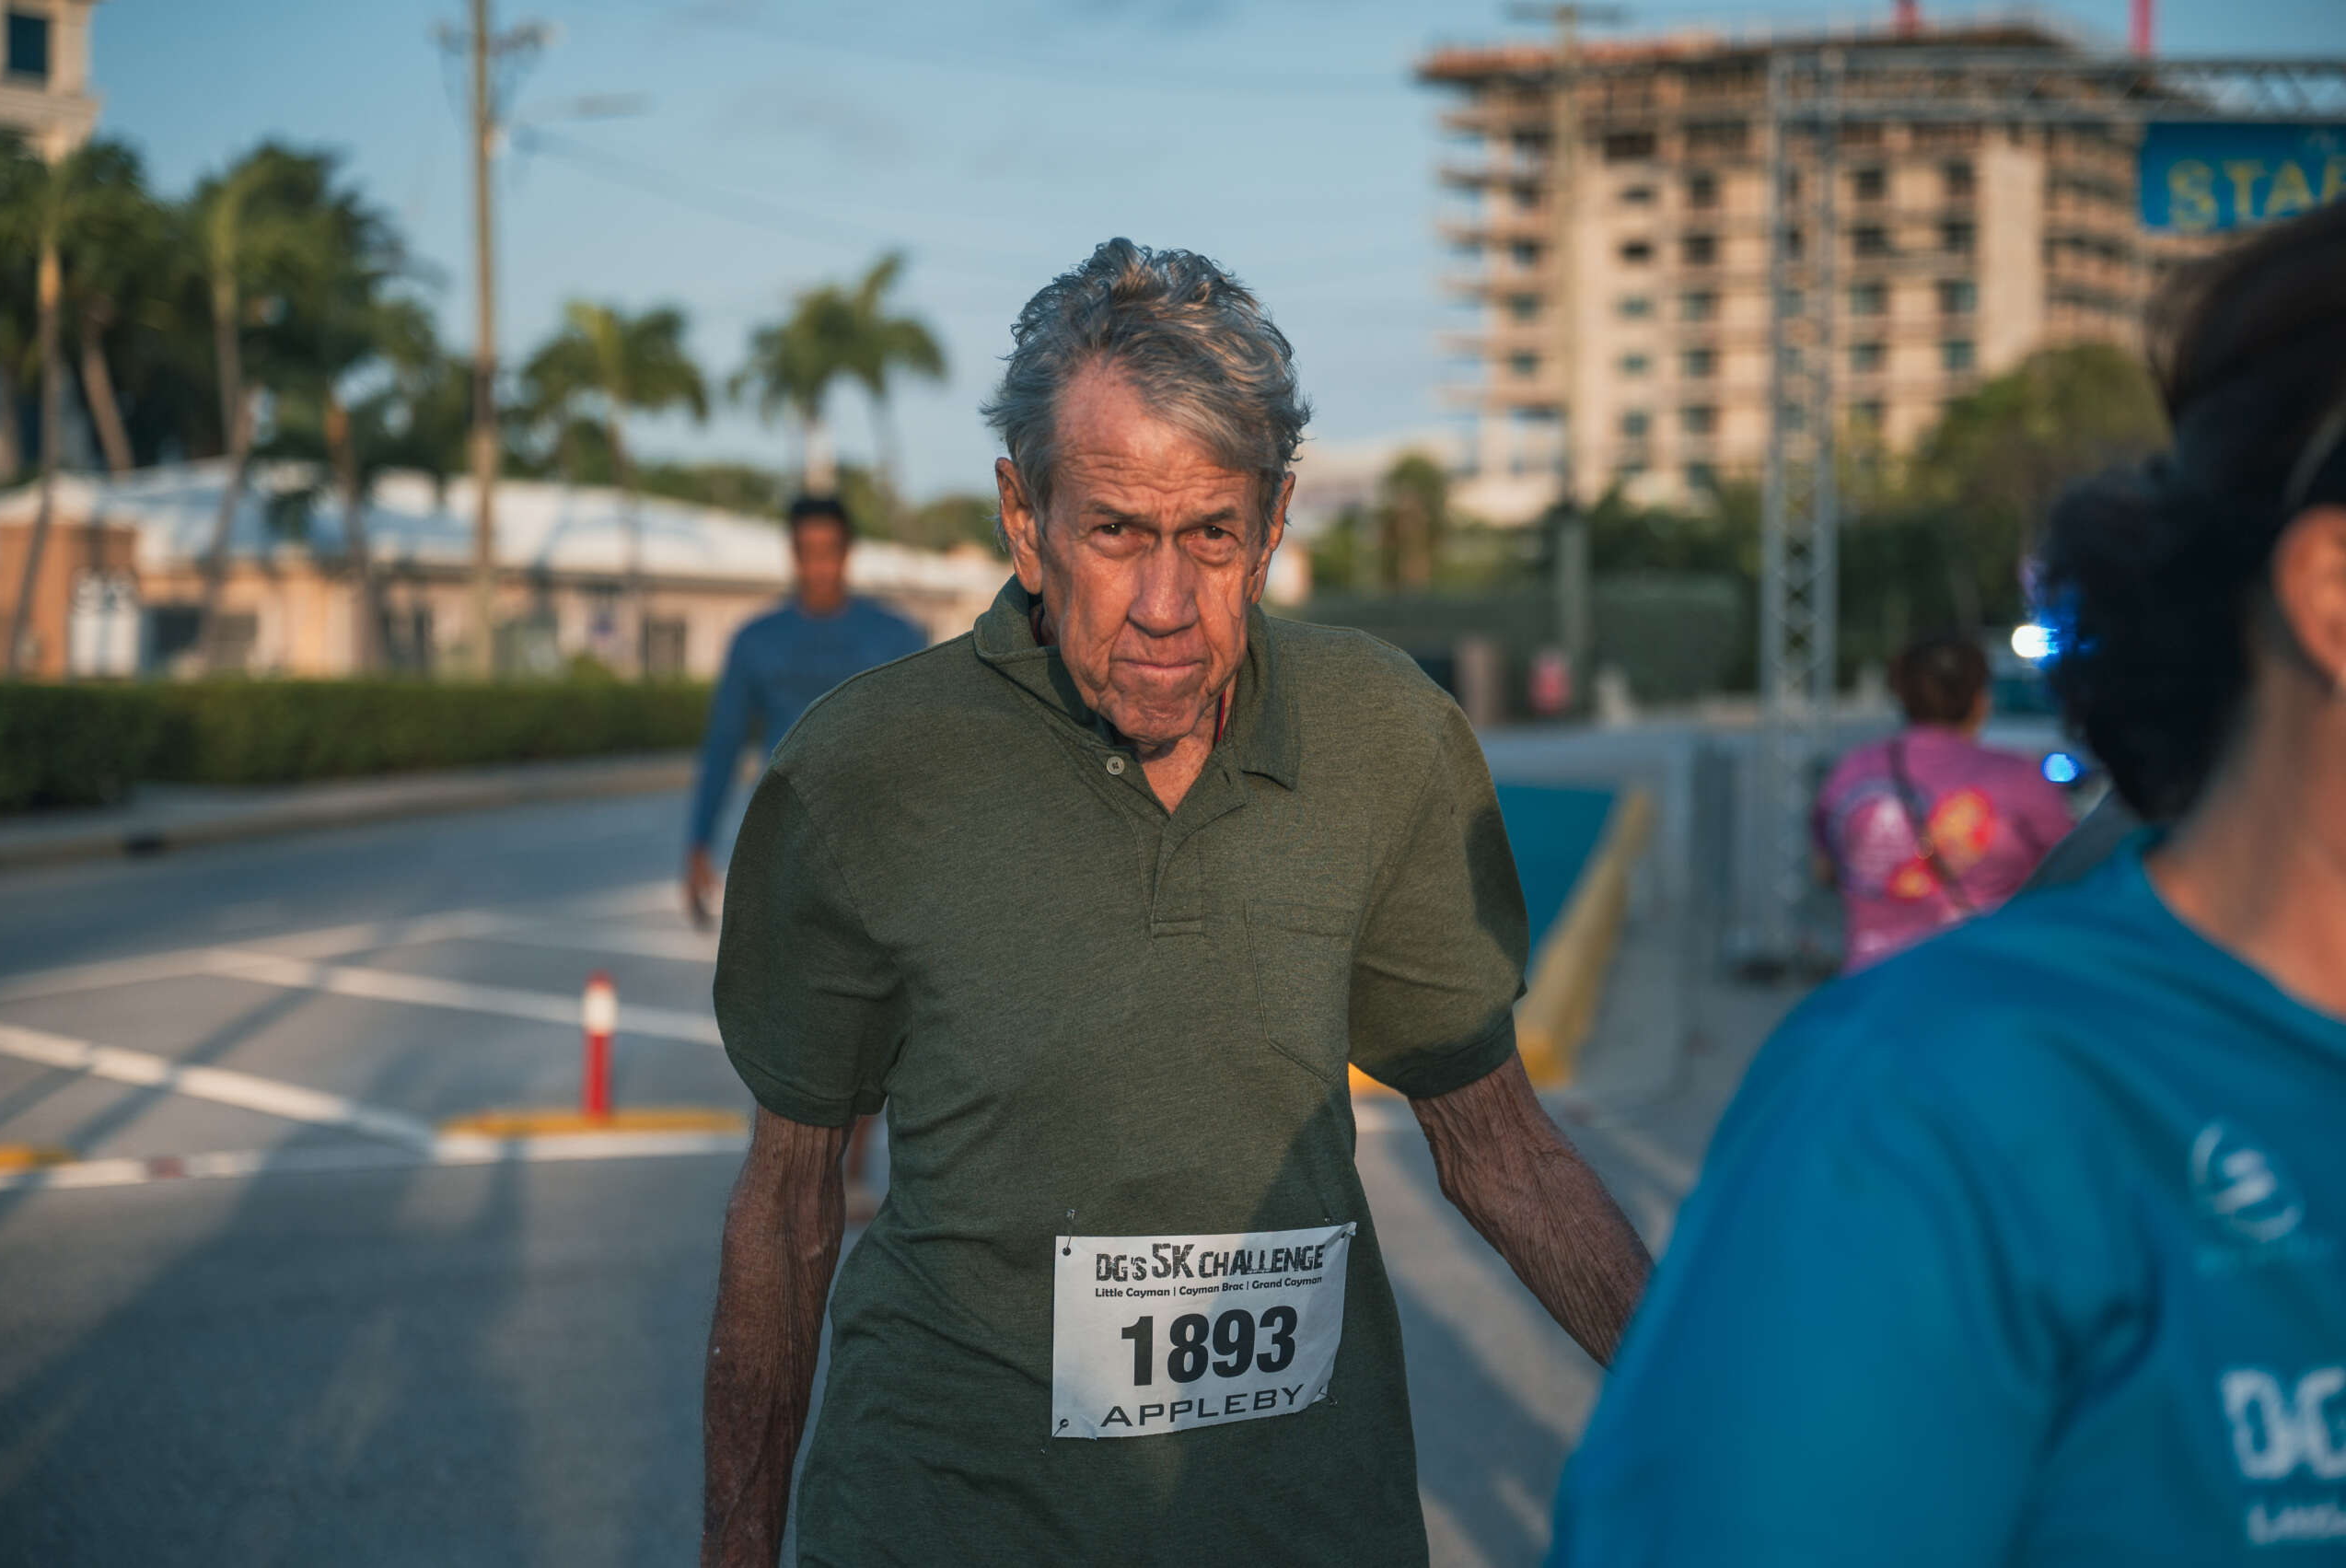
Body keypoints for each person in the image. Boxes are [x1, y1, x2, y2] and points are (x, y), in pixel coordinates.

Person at [701, 239, 1652, 1568]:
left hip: (1307, 1525)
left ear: (1273, 523)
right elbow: (789, 1202)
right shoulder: (866, 770)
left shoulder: (1387, 738)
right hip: (940, 1524)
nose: (1167, 606)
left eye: (1212, 534)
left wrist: (1713, 1399)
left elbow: (1500, 1143)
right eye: (1116, 532)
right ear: (1024, 522)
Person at [1548, 203, 2346, 1563]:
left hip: (1885, 977)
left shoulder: (1856, 787)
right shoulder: (1938, 1112)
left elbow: (1822, 869)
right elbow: (2070, 869)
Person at [682, 493, 923, 929]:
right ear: (791, 554)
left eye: (829, 552)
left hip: (877, 851)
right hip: (783, 846)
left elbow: (925, 753)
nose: (818, 567)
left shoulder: (896, 638)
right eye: (805, 552)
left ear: (848, 552)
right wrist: (699, 844)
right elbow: (724, 744)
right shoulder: (756, 641)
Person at [1812, 632, 2073, 970]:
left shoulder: (1850, 772)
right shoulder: (2018, 778)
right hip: (1982, 985)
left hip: (1873, 988)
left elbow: (1826, 870)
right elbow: (2071, 874)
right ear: (1981, 700)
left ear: (1901, 696)